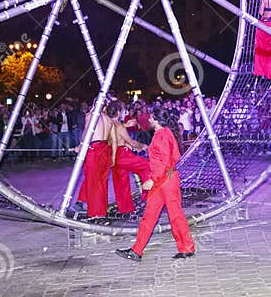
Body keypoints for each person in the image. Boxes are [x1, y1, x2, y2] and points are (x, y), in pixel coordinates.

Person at [116, 106, 195, 261]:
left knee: (174, 215)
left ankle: (186, 247)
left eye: (152, 117)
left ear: (157, 120)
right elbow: (174, 157)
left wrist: (152, 180)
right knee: (150, 216)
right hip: (165, 180)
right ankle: (136, 250)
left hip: (164, 181)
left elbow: (165, 161)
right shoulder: (166, 133)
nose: (149, 119)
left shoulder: (162, 136)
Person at [107, 101, 150, 215]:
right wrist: (144, 146)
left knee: (121, 183)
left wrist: (126, 126)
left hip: (113, 155)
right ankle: (148, 196)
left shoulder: (106, 124)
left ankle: (125, 209)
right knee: (146, 166)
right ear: (118, 112)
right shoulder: (120, 126)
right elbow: (132, 142)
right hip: (122, 154)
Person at [73, 99, 112, 217]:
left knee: (93, 181)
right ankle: (101, 210)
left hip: (95, 148)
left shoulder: (91, 115)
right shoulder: (108, 119)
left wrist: (80, 146)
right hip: (106, 149)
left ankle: (95, 212)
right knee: (101, 181)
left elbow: (87, 131)